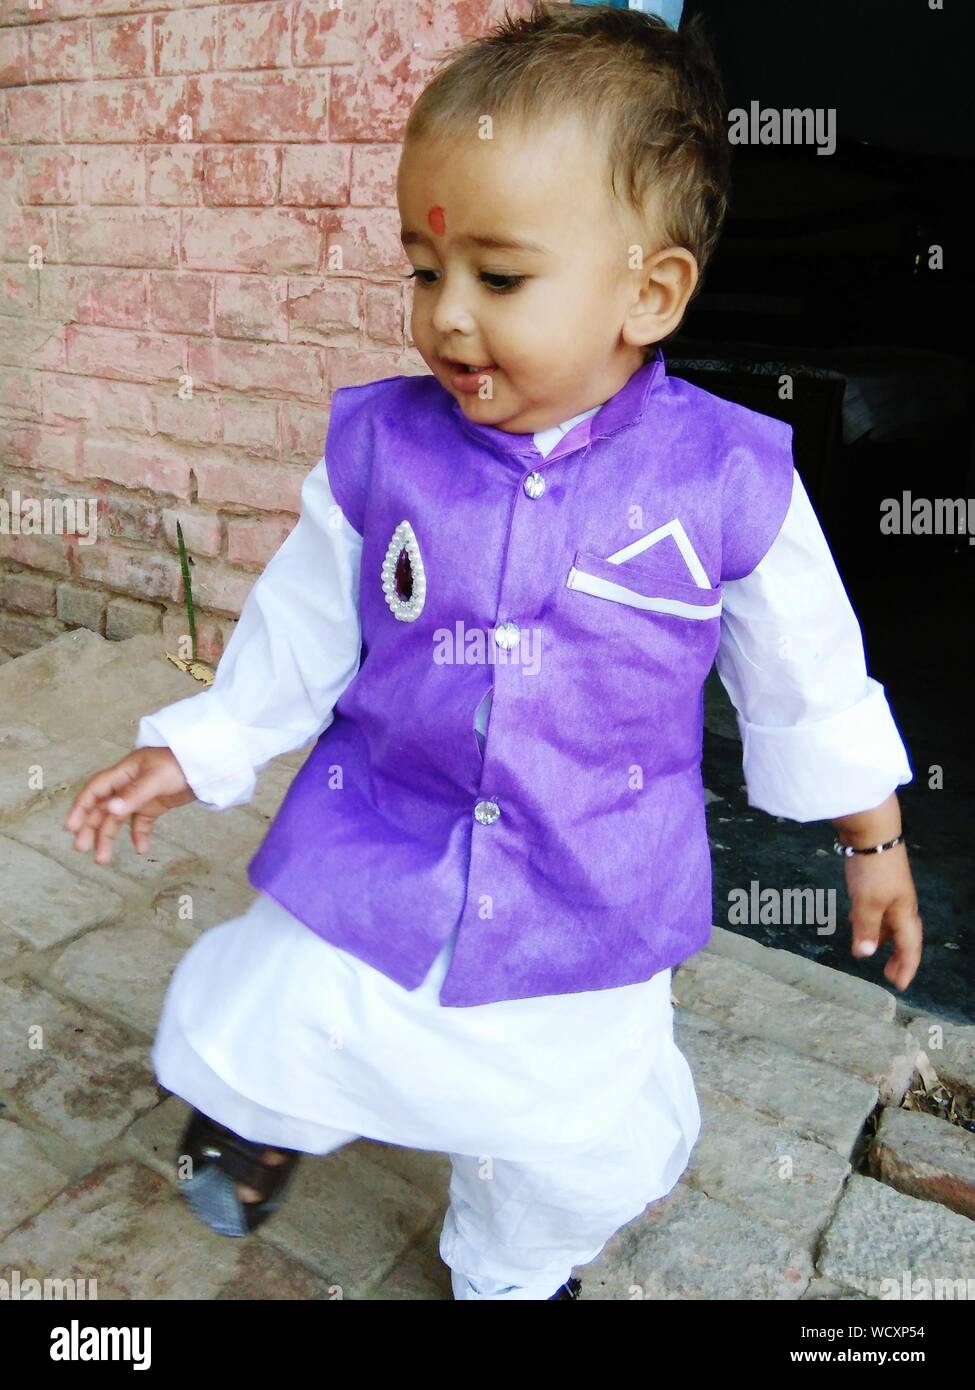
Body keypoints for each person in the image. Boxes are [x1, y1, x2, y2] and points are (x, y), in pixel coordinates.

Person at [63, 5, 921, 1301]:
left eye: (499, 278)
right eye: (422, 269)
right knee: (285, 1004)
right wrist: (207, 740)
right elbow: (303, 618)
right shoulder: (382, 451)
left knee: (566, 1127)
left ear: (653, 290)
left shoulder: (729, 481)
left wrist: (872, 835)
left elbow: (807, 670)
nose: (445, 319)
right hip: (383, 835)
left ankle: (511, 1268)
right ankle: (257, 1123)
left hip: (593, 881)